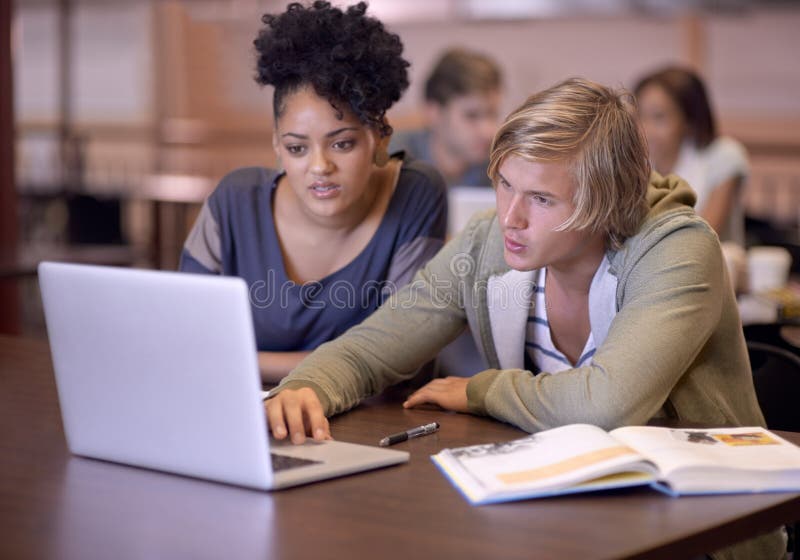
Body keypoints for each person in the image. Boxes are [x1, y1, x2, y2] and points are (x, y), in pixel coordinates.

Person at [265, 77, 785, 559]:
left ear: (605, 202)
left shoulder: (677, 248)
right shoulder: (490, 240)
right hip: (568, 515)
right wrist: (306, 386)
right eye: (505, 184)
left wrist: (482, 389)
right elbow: (371, 347)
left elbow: (607, 404)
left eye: (540, 198)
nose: (511, 216)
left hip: (708, 530)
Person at [179, 1, 447, 382]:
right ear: (276, 145)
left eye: (342, 144)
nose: (320, 167)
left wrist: (244, 363)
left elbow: (399, 357)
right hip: (247, 419)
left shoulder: (415, 193)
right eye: (297, 148)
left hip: (371, 427)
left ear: (380, 137)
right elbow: (186, 341)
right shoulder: (234, 202)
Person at [634, 66, 750, 246]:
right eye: (639, 115)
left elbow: (704, 236)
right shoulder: (635, 164)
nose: (645, 129)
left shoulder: (723, 156)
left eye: (659, 117)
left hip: (713, 268)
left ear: (689, 120)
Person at [390, 48, 503, 187]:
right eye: (471, 116)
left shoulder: (501, 168)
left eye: (492, 114)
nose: (488, 131)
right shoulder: (388, 161)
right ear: (433, 113)